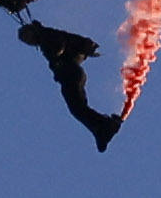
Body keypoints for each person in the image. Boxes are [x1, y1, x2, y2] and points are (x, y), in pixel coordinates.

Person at [18, 21, 123, 152]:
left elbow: (59, 45)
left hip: (70, 73)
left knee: (77, 108)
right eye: (25, 41)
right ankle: (101, 129)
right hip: (72, 73)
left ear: (31, 32)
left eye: (26, 37)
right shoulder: (45, 37)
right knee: (78, 108)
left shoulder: (46, 35)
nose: (28, 42)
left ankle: (104, 125)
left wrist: (55, 56)